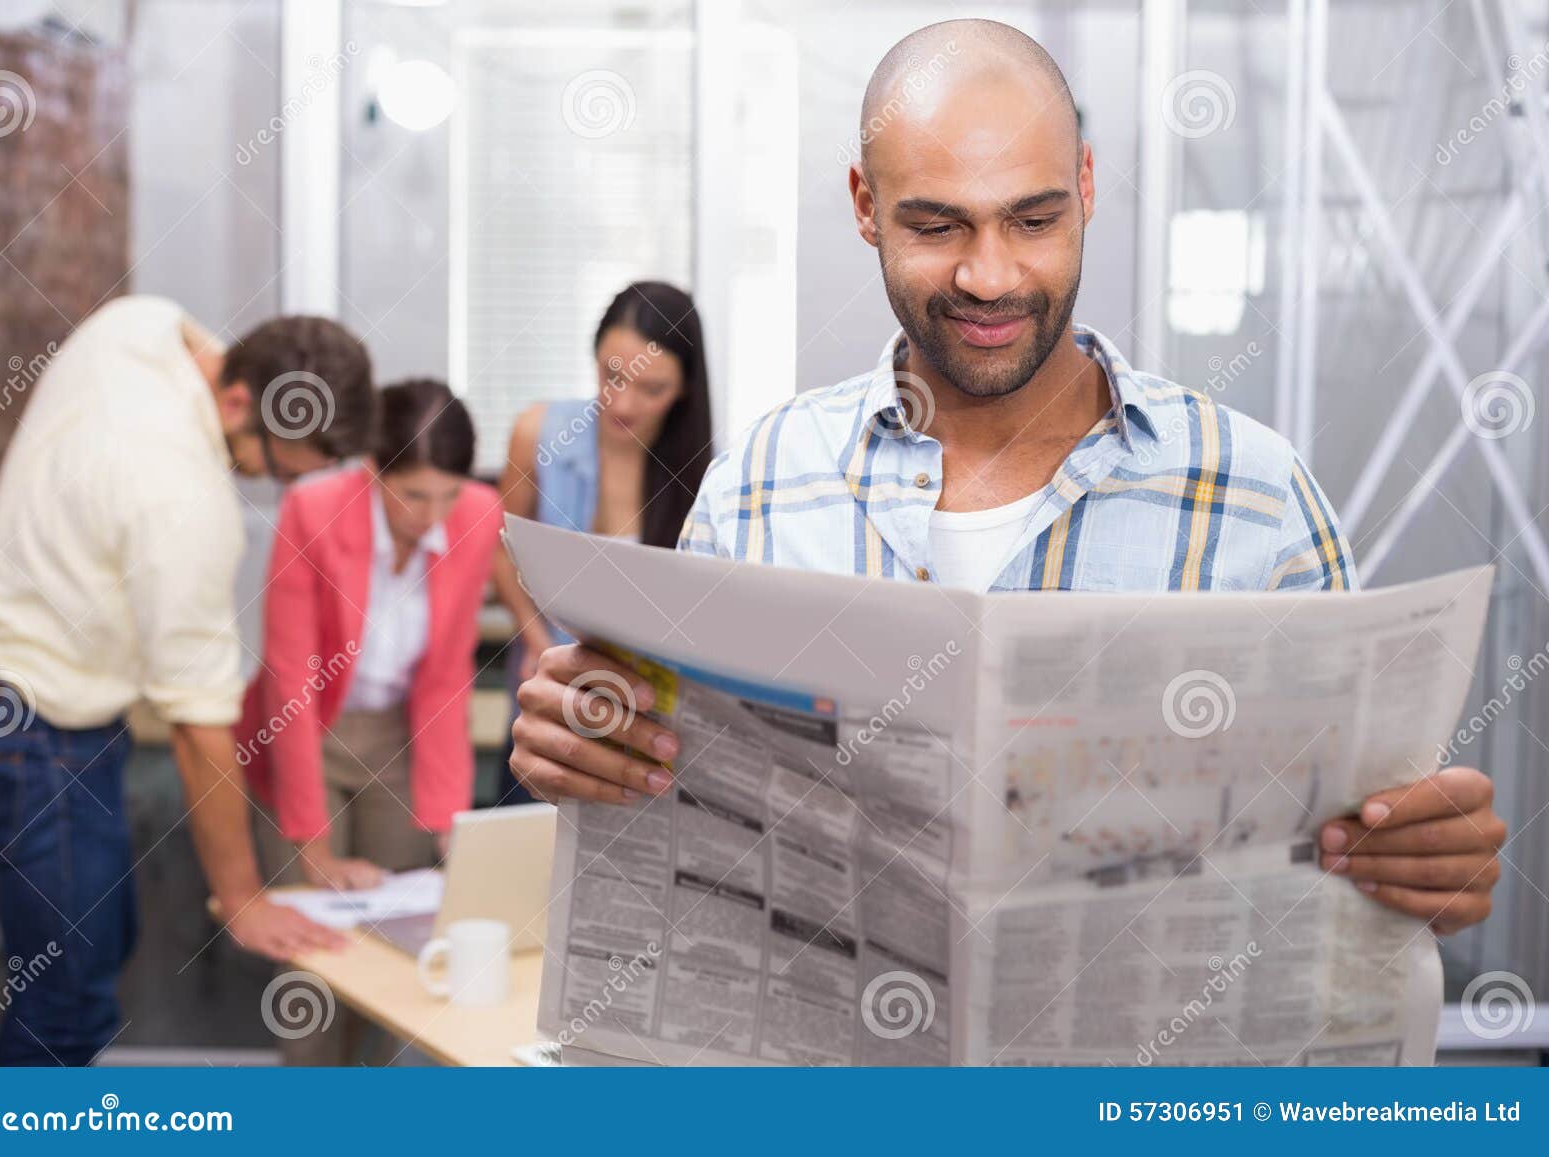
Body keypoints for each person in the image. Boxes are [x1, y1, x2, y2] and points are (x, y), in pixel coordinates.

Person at [507, 21, 1506, 937]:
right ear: (864, 205)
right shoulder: (760, 485)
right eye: (937, 226)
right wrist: (585, 750)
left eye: (1032, 220)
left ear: (1085, 184)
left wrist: (1426, 868)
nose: (989, 277)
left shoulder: (1255, 495)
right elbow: (683, 825)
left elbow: (1365, 852)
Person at [0, 295, 375, 1066]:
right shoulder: (182, 502)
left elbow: (195, 337)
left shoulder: (136, 324)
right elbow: (199, 729)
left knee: (103, 935)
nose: (269, 483)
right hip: (32, 723)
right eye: (275, 464)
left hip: (41, 691)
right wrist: (242, 898)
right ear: (240, 400)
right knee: (68, 994)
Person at [239, 377, 503, 1064]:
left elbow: (446, 678)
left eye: (448, 494)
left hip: (400, 739)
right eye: (414, 494)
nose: (432, 514)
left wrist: (447, 821)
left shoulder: (477, 515)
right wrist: (314, 850)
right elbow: (290, 682)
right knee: (317, 964)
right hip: (307, 731)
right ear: (373, 471)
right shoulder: (312, 510)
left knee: (393, 962)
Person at [492, 280, 714, 682]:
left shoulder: (711, 475)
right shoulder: (537, 435)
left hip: (655, 693)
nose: (623, 404)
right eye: (612, 376)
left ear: (685, 389)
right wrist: (537, 641)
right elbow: (501, 551)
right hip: (551, 682)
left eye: (651, 388)